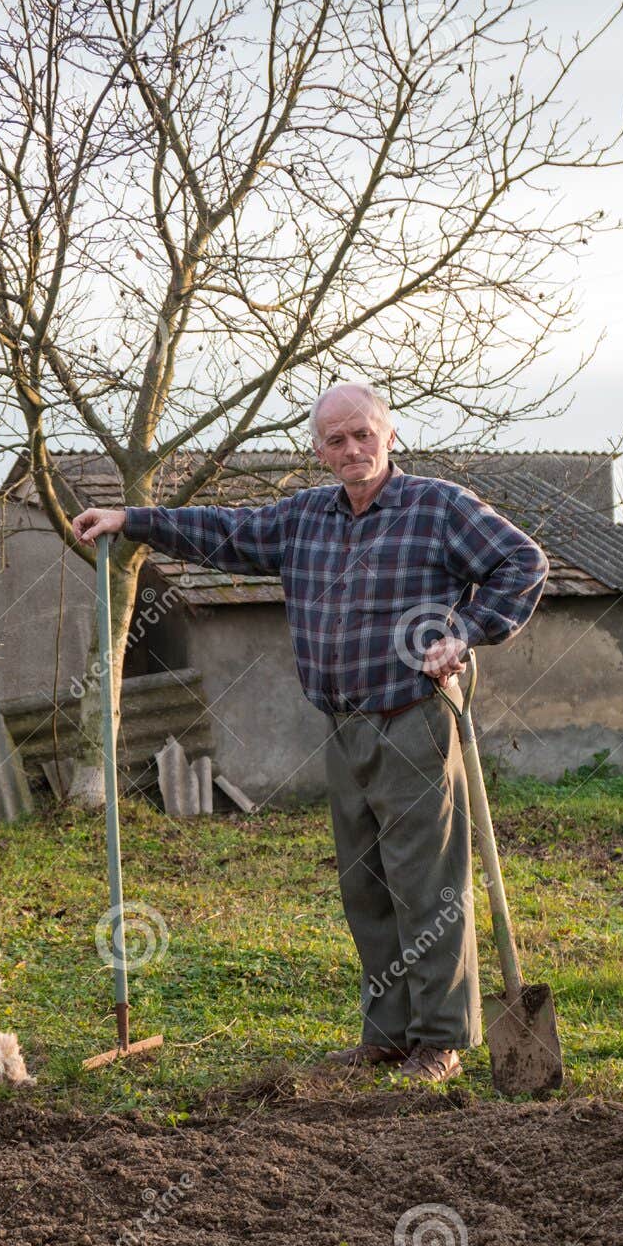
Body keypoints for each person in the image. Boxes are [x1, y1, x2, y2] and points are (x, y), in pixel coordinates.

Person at [72, 382, 549, 1085]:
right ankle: (386, 1034)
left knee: (425, 885)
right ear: (318, 451)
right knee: (366, 889)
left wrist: (466, 632)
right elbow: (223, 533)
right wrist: (130, 518)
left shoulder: (437, 507)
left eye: (362, 435)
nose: (351, 449)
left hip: (413, 717)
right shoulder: (305, 517)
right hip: (343, 723)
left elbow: (522, 563)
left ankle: (439, 1041)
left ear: (388, 436)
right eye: (335, 440)